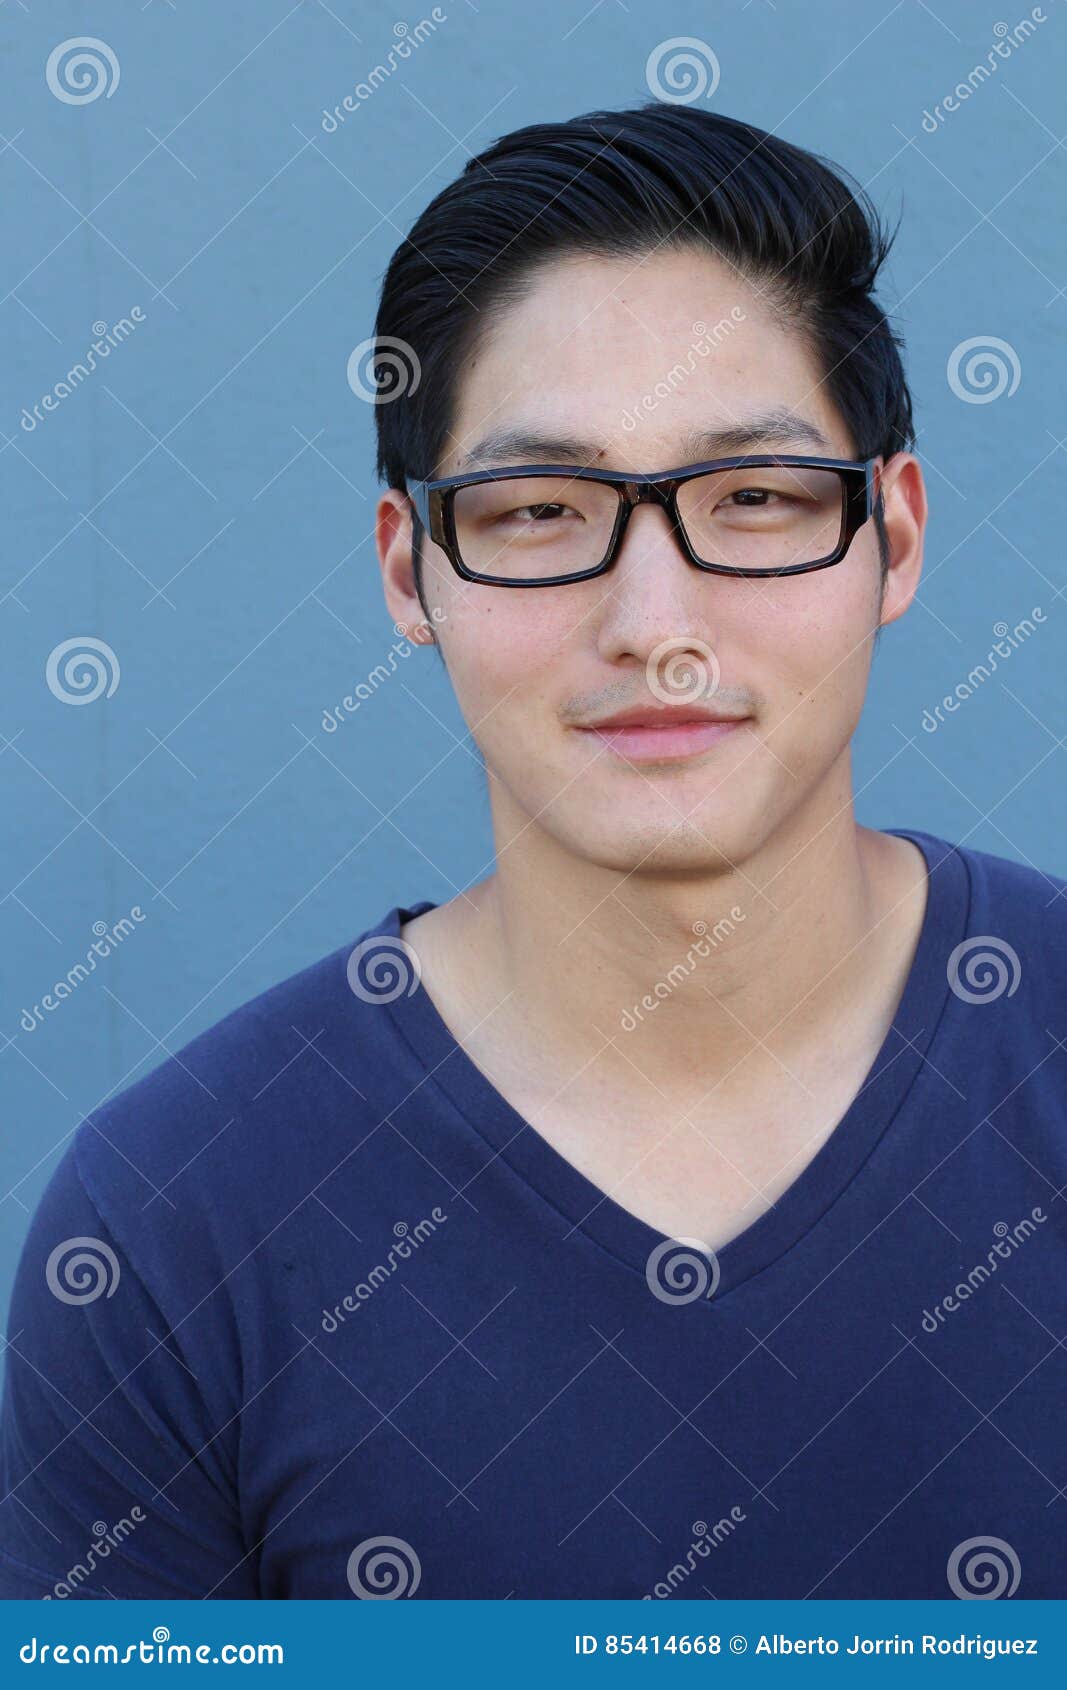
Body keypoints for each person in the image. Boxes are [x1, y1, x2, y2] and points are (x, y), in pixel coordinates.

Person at [1, 103, 1064, 1603]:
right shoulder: (174, 1227)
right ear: (409, 571)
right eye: (540, 511)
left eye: (755, 498)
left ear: (892, 532)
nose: (655, 627)